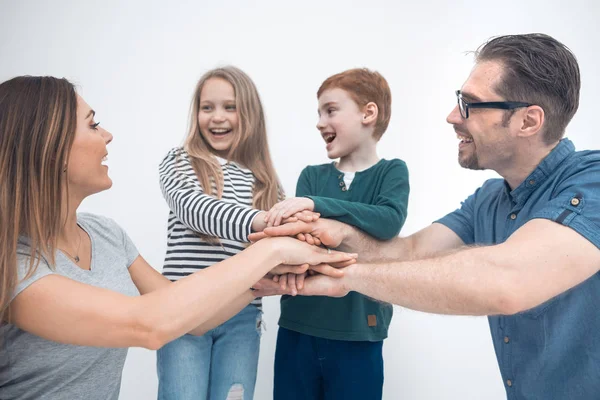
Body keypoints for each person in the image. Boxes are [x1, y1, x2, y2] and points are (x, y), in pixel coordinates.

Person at [252, 33, 600, 399]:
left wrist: (347, 278)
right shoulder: (488, 201)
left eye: (470, 105)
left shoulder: (592, 182)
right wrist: (332, 230)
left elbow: (507, 280)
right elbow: (409, 251)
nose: (453, 117)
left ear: (528, 121)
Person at [0, 75, 355, 400]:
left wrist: (273, 279)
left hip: (228, 313)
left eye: (231, 107)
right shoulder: (14, 266)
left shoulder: (108, 236)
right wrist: (273, 241)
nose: (108, 134)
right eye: (93, 124)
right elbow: (150, 324)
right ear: (48, 145)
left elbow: (194, 319)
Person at [155, 66, 325, 400]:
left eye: (229, 107)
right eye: (207, 107)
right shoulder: (180, 161)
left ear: (249, 114)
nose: (217, 117)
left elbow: (284, 244)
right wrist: (266, 221)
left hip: (242, 316)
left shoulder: (266, 183)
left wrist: (302, 236)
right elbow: (195, 209)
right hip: (184, 311)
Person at [261, 68, 409, 400]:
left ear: (368, 113)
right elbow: (301, 242)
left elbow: (388, 222)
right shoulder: (311, 176)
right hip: (298, 328)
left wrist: (316, 204)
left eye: (330, 110)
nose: (319, 122)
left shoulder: (392, 171)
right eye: (319, 113)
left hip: (360, 334)